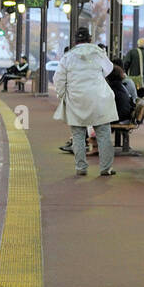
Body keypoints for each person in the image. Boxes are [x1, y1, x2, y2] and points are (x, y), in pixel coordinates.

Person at [55, 27, 119, 177]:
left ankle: (81, 167)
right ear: (90, 39)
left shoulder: (67, 57)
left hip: (76, 99)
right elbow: (108, 70)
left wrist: (63, 95)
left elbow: (58, 79)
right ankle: (105, 168)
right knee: (103, 134)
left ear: (75, 41)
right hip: (99, 98)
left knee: (78, 134)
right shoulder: (98, 53)